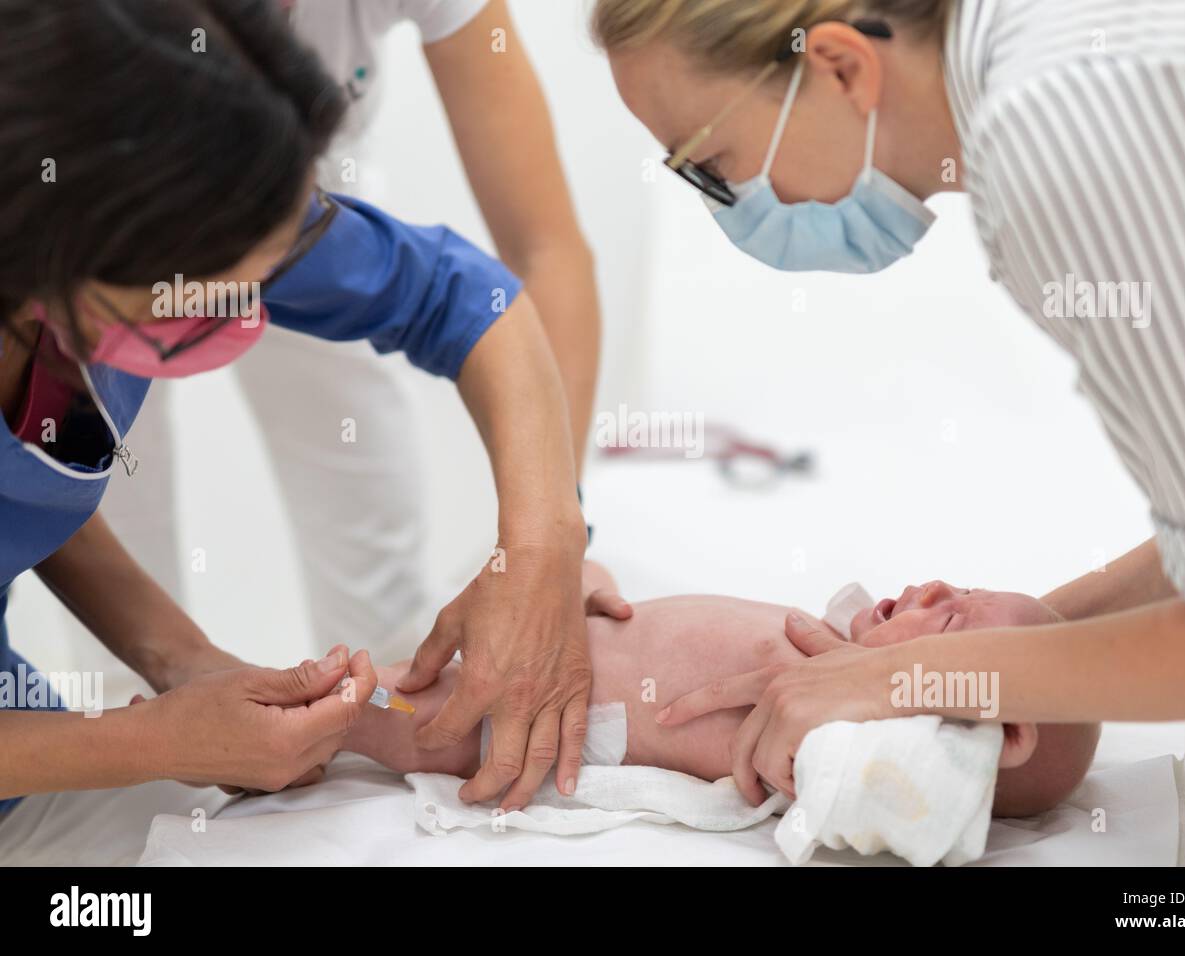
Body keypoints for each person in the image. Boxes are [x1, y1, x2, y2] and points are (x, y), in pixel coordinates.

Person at [588, 0, 1185, 803]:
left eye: (710, 163)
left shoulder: (1061, 128)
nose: (724, 206)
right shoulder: (1057, 55)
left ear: (841, 66)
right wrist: (990, 638)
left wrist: (916, 677)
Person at [0, 0, 589, 816]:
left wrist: (543, 546)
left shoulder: (187, 209)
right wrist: (151, 742)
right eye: (210, 300)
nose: (253, 309)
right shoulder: (121, 223)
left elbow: (471, 299)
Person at [101, 0, 602, 663]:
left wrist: (549, 536)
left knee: (383, 600)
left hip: (280, 207)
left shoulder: (300, 235)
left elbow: (521, 266)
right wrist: (171, 677)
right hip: (98, 213)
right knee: (104, 487)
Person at [345, 564, 1101, 818]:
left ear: (994, 735)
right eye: (957, 585)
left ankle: (328, 721)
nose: (930, 585)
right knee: (582, 571)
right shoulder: (836, 654)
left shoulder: (860, 745)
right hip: (579, 628)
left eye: (954, 613)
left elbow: (888, 798)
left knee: (390, 709)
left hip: (529, 718)